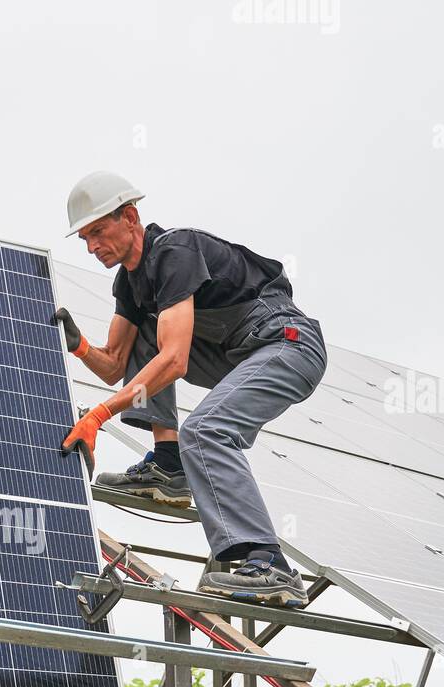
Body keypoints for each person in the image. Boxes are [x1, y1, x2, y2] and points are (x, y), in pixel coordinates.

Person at [55, 171, 327, 608]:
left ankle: (270, 563)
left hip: (285, 344)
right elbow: (114, 366)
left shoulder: (175, 251)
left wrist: (98, 416)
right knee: (150, 325)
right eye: (84, 239)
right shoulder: (130, 282)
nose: (92, 247)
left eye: (99, 232)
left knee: (204, 431)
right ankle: (169, 465)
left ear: (130, 217)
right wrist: (80, 346)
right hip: (233, 353)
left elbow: (175, 360)